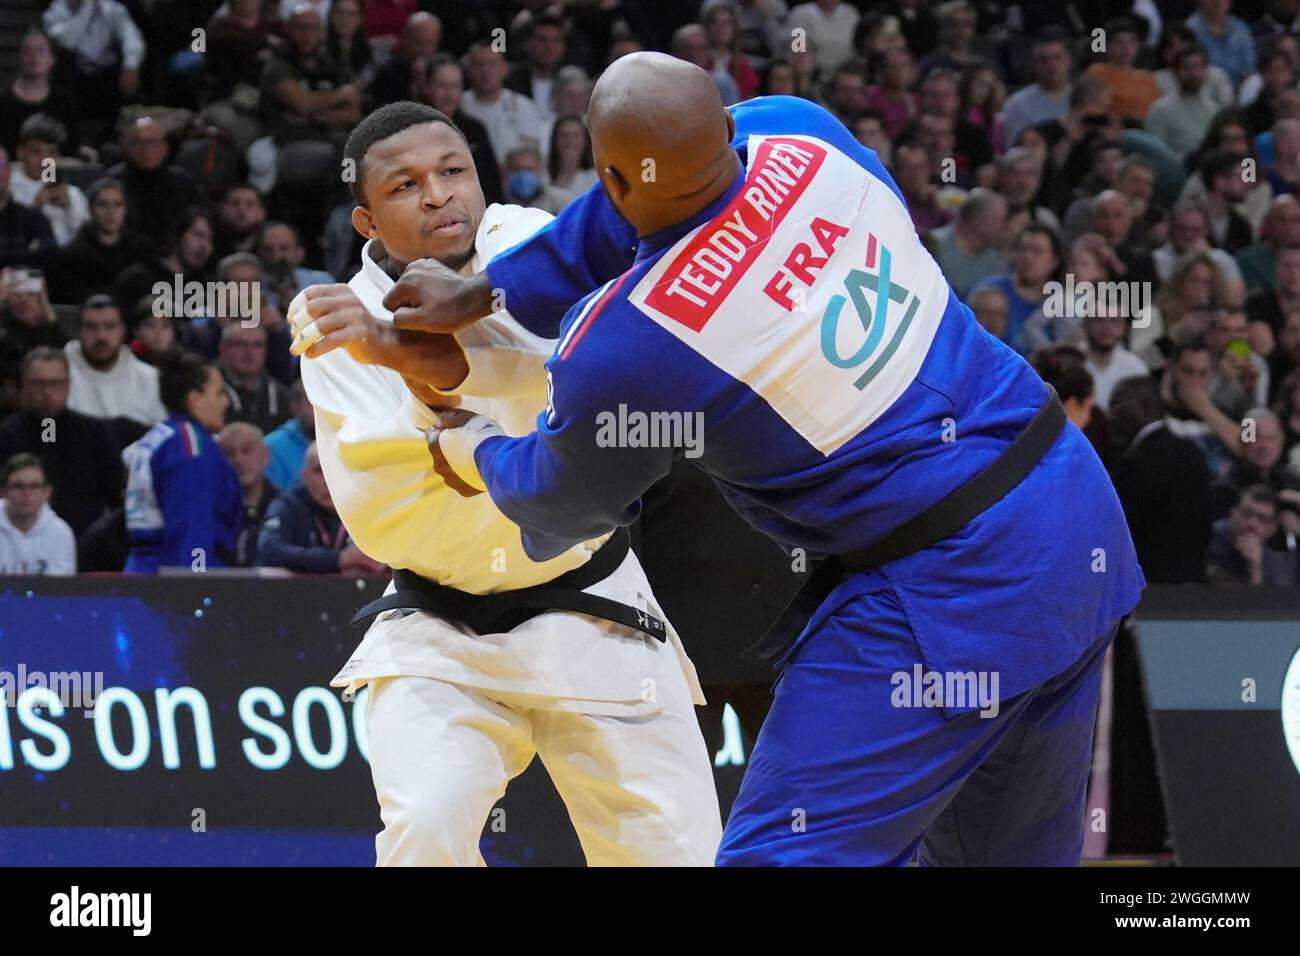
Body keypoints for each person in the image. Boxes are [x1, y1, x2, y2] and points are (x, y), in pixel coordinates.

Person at [347, 55, 1145, 866]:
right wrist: (485, 292)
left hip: (945, 593)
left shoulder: (639, 338)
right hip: (1069, 510)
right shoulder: (801, 127)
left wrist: (467, 443)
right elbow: (639, 205)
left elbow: (558, 505)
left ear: (613, 178)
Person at [289, 100, 721, 866]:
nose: (438, 194)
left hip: (594, 605)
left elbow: (570, 393)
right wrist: (501, 445)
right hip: (438, 632)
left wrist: (439, 424)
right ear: (366, 222)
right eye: (406, 185)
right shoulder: (333, 320)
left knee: (679, 850)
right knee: (426, 823)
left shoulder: (529, 245)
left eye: (454, 171)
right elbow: (382, 519)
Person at [121, 353, 241, 573]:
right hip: (173, 576)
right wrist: (194, 588)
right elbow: (193, 526)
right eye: (219, 393)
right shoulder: (190, 446)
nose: (226, 402)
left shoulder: (158, 437)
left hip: (144, 568)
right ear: (195, 399)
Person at [0, 347, 123, 537]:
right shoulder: (6, 434)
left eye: (55, 383)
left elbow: (116, 497)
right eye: (38, 384)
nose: (47, 392)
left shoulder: (95, 433)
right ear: (24, 384)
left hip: (85, 543)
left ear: (68, 385)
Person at [257, 441, 382, 574]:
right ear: (305, 476)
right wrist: (339, 559)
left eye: (336, 470)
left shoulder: (367, 503)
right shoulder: (288, 505)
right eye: (319, 471)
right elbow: (269, 549)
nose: (328, 480)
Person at [64, 294, 166, 425]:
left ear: (123, 330)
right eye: (91, 327)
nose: (101, 336)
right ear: (79, 331)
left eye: (110, 326)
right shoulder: (56, 375)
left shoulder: (150, 379)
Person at [0, 452, 76, 575]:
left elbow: (61, 589)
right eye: (18, 486)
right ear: (3, 491)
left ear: (47, 492)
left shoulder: (61, 533)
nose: (26, 493)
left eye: (34, 486)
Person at [217, 421, 278, 568]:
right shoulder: (212, 512)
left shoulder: (286, 506)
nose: (239, 460)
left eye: (247, 450)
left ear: (265, 455)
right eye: (229, 453)